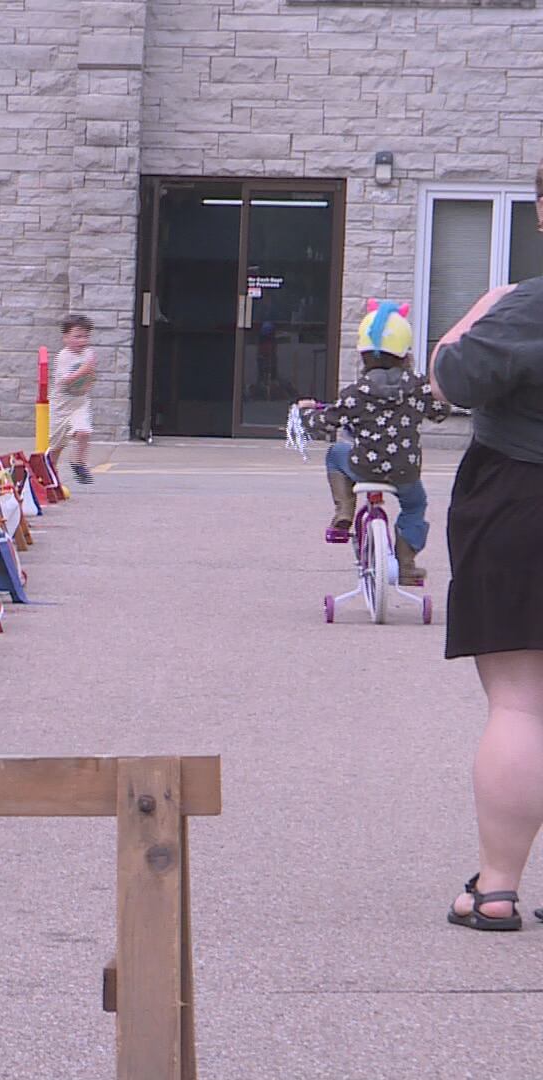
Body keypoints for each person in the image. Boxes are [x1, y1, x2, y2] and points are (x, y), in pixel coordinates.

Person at [428, 167, 543, 930]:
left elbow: (450, 381)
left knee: (521, 704)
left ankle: (497, 889)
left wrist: (470, 318)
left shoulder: (524, 307)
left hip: (519, 504)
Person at [296, 300, 450, 586]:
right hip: (405, 471)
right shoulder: (418, 387)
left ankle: (344, 512)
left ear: (364, 354)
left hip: (364, 467)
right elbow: (440, 412)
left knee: (335, 453)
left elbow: (325, 422)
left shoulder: (356, 392)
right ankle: (406, 564)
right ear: (404, 353)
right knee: (415, 506)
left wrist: (305, 412)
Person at [48, 314, 99, 486]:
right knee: (56, 447)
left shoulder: (89, 354)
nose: (82, 341)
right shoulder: (64, 356)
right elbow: (65, 380)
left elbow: (91, 377)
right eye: (77, 336)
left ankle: (78, 463)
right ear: (66, 338)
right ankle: (51, 479)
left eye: (85, 336)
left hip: (79, 402)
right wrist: (84, 370)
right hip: (61, 406)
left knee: (84, 432)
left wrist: (89, 379)